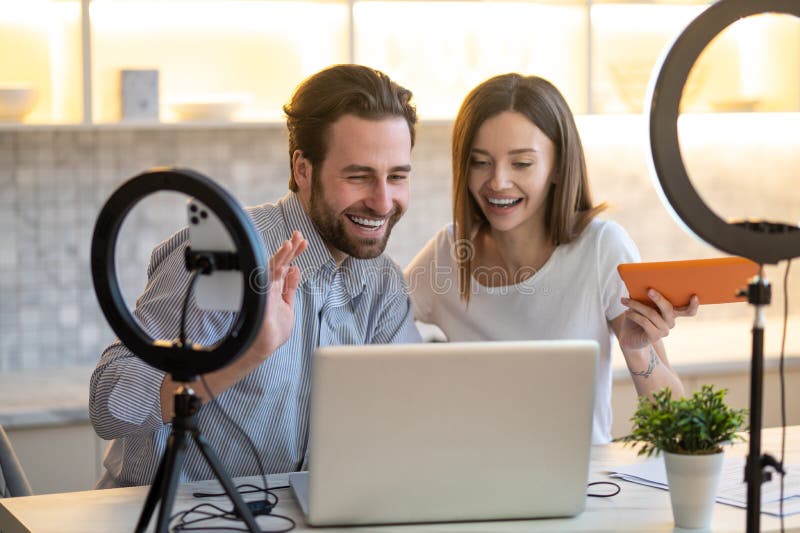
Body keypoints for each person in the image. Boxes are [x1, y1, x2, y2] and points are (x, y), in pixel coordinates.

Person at [89, 64, 422, 488]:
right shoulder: (226, 252)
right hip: (169, 516)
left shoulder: (382, 284)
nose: (382, 201)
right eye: (358, 176)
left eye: (397, 177)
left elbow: (409, 413)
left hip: (290, 515)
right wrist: (247, 354)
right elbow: (109, 403)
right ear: (303, 169)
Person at [404, 74, 698, 445]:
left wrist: (638, 351)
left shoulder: (602, 250)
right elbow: (373, 321)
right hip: (474, 483)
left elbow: (676, 427)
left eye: (522, 163)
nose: (497, 182)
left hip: (580, 487)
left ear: (558, 165)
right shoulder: (449, 253)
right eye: (480, 162)